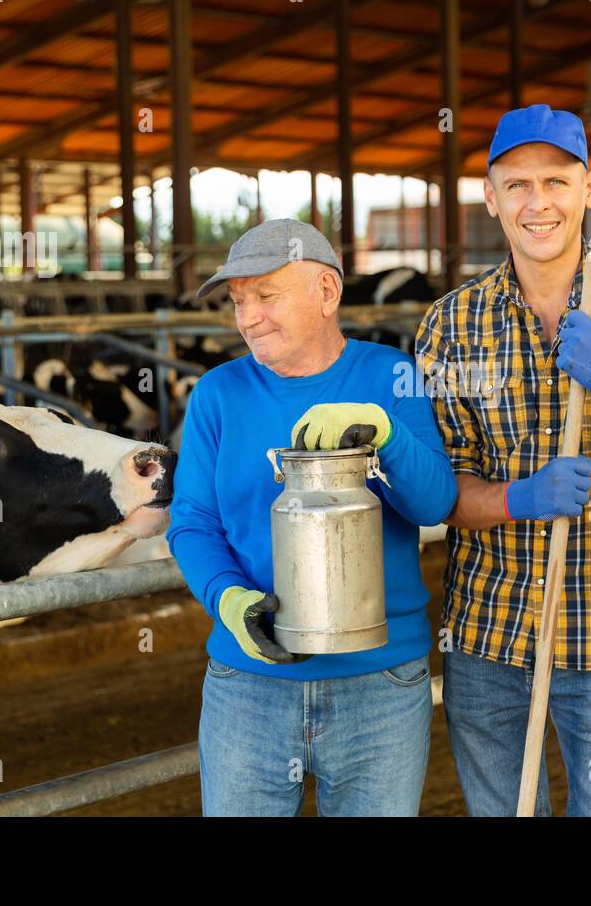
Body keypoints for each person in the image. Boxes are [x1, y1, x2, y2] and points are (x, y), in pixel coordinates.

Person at [415, 104, 591, 816]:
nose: (538, 203)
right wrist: (519, 498)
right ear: (490, 196)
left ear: (590, 187)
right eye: (517, 185)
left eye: (557, 181)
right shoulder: (451, 325)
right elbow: (441, 494)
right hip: (485, 638)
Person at [167, 218, 457, 816]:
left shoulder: (392, 376)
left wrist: (385, 432)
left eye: (266, 295)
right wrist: (226, 600)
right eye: (239, 301)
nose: (247, 318)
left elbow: (435, 504)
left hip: (380, 682)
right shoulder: (217, 394)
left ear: (327, 292)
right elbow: (192, 520)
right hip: (249, 682)